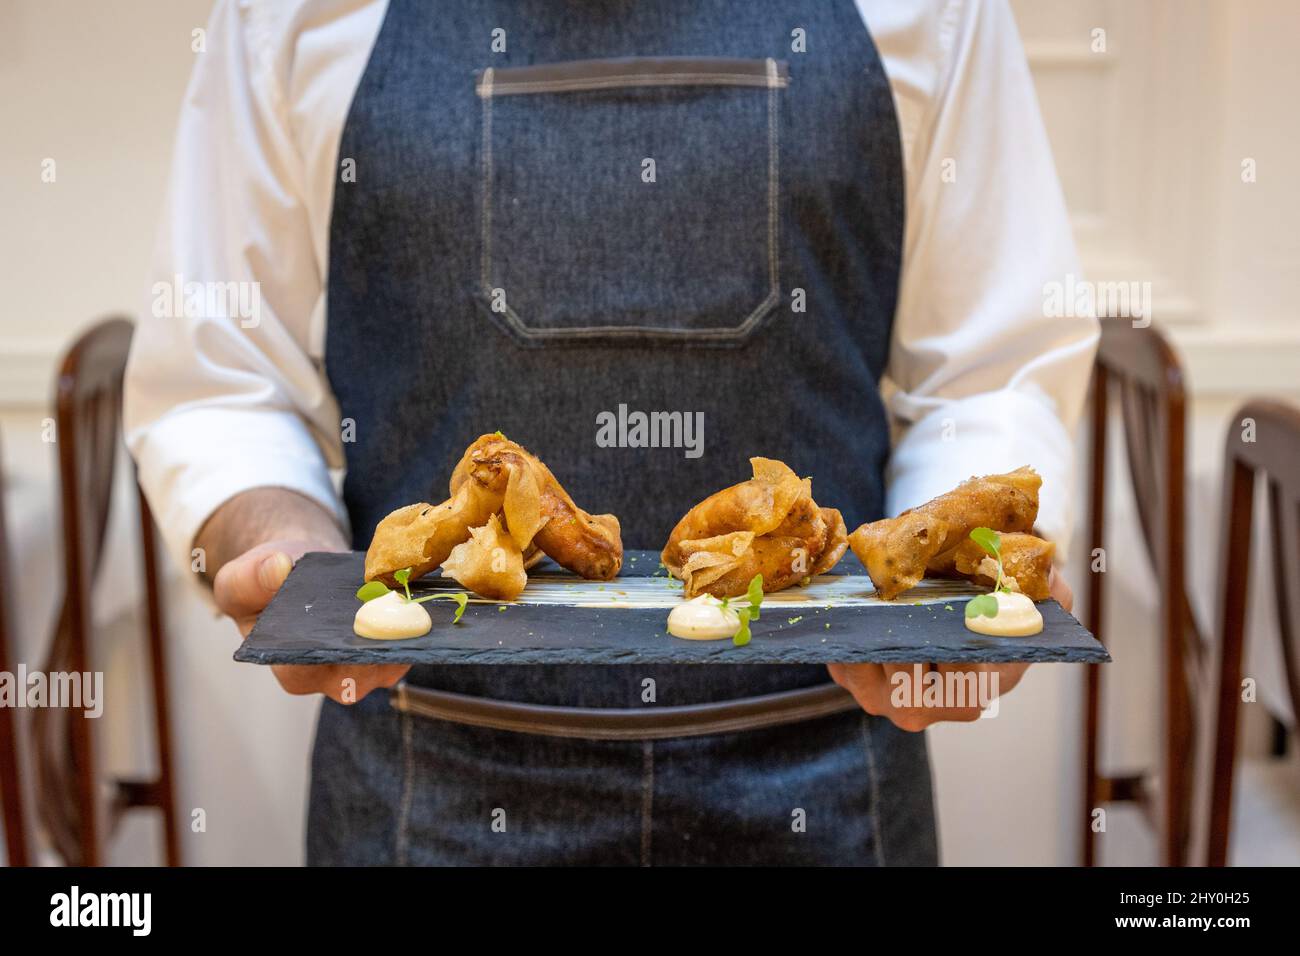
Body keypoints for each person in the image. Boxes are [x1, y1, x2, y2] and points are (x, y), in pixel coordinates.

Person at [125, 0, 1098, 865]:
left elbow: (986, 370)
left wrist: (956, 582)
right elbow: (223, 381)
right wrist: (270, 545)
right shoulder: (281, 15)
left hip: (828, 775)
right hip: (425, 785)